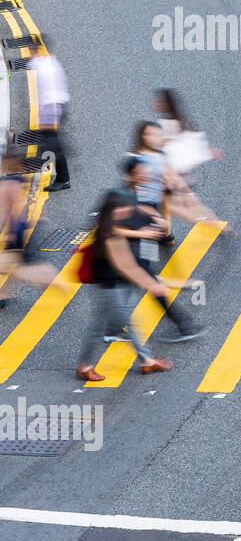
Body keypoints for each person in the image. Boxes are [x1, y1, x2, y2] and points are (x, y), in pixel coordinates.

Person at [74, 189, 172, 382]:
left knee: (97, 327)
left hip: (112, 285)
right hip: (110, 287)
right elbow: (126, 265)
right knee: (130, 322)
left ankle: (84, 366)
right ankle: (146, 360)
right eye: (124, 208)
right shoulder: (109, 233)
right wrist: (151, 284)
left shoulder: (110, 225)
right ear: (114, 209)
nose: (128, 211)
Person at [116, 156, 206, 344]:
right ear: (129, 176)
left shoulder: (139, 192)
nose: (146, 176)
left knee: (133, 287)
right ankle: (184, 325)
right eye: (141, 173)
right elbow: (111, 228)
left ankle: (111, 327)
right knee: (152, 288)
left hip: (142, 249)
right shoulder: (119, 197)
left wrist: (157, 219)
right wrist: (143, 232)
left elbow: (144, 209)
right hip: (127, 252)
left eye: (146, 172)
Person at [0, 147, 64, 305]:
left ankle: (53, 279)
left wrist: (10, 233)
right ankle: (4, 295)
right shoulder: (19, 180)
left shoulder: (7, 184)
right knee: (8, 264)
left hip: (15, 230)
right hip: (19, 227)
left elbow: (4, 211)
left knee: (18, 267)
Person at [151, 89, 223, 183]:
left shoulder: (167, 122)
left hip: (174, 176)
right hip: (183, 175)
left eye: (158, 101)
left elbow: (167, 143)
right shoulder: (181, 119)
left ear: (165, 104)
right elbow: (194, 136)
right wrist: (208, 149)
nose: (154, 103)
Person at [29, 48, 71, 193]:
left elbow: (47, 92)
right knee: (52, 141)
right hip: (58, 105)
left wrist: (48, 118)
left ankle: (63, 179)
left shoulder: (40, 65)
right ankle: (63, 178)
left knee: (52, 143)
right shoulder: (51, 62)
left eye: (30, 51)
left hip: (52, 108)